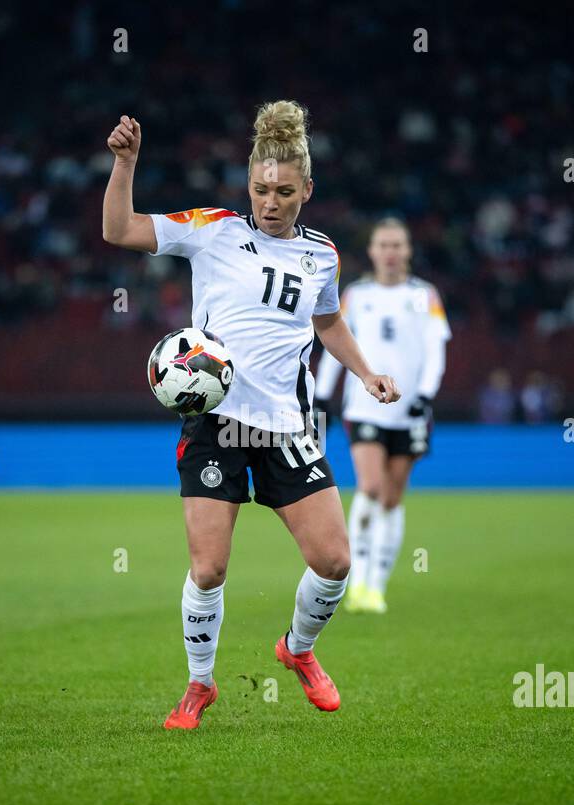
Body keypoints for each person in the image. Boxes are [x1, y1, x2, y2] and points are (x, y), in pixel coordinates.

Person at [102, 102, 399, 729]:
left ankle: (297, 650)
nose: (270, 201)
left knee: (336, 561)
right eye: (261, 189)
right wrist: (125, 164)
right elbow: (119, 231)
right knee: (208, 568)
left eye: (284, 191)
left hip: (290, 426)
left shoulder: (323, 256)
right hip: (217, 425)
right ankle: (200, 685)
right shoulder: (211, 229)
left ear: (306, 191)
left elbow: (327, 321)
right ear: (248, 186)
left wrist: (365, 371)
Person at [315, 218, 451, 613]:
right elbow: (335, 345)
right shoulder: (356, 296)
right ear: (372, 251)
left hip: (409, 411)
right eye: (383, 245)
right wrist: (324, 394)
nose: (390, 252)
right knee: (370, 487)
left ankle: (377, 586)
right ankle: (356, 582)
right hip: (364, 408)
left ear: (407, 251)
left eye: (397, 245)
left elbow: (435, 350)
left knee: (392, 499)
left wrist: (425, 396)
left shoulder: (425, 296)